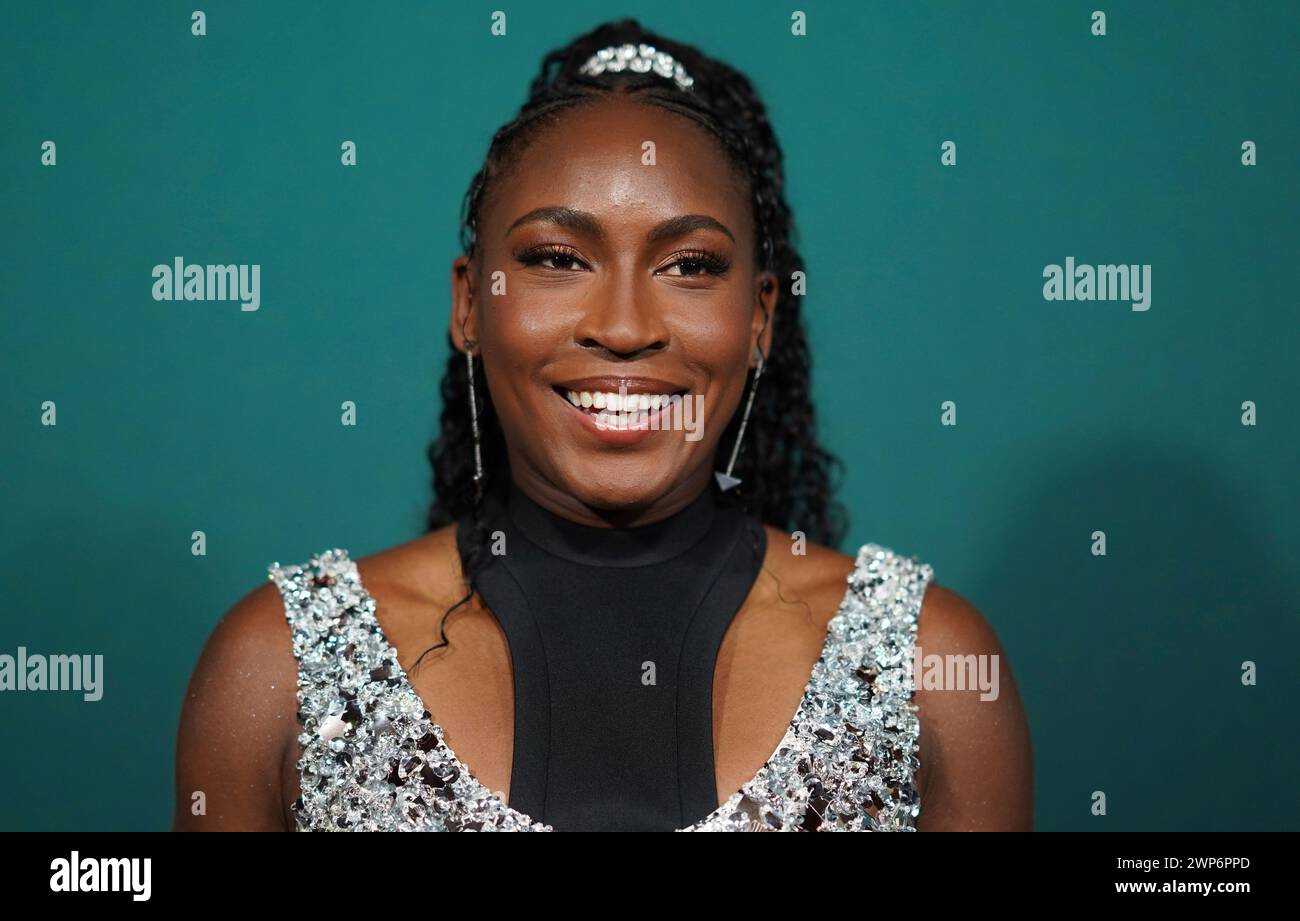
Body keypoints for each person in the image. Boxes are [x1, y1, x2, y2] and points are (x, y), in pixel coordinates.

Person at [173, 18, 1032, 832]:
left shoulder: (932, 674)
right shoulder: (279, 668)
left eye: (690, 265)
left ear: (762, 318)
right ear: (471, 303)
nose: (624, 325)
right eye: (557, 258)